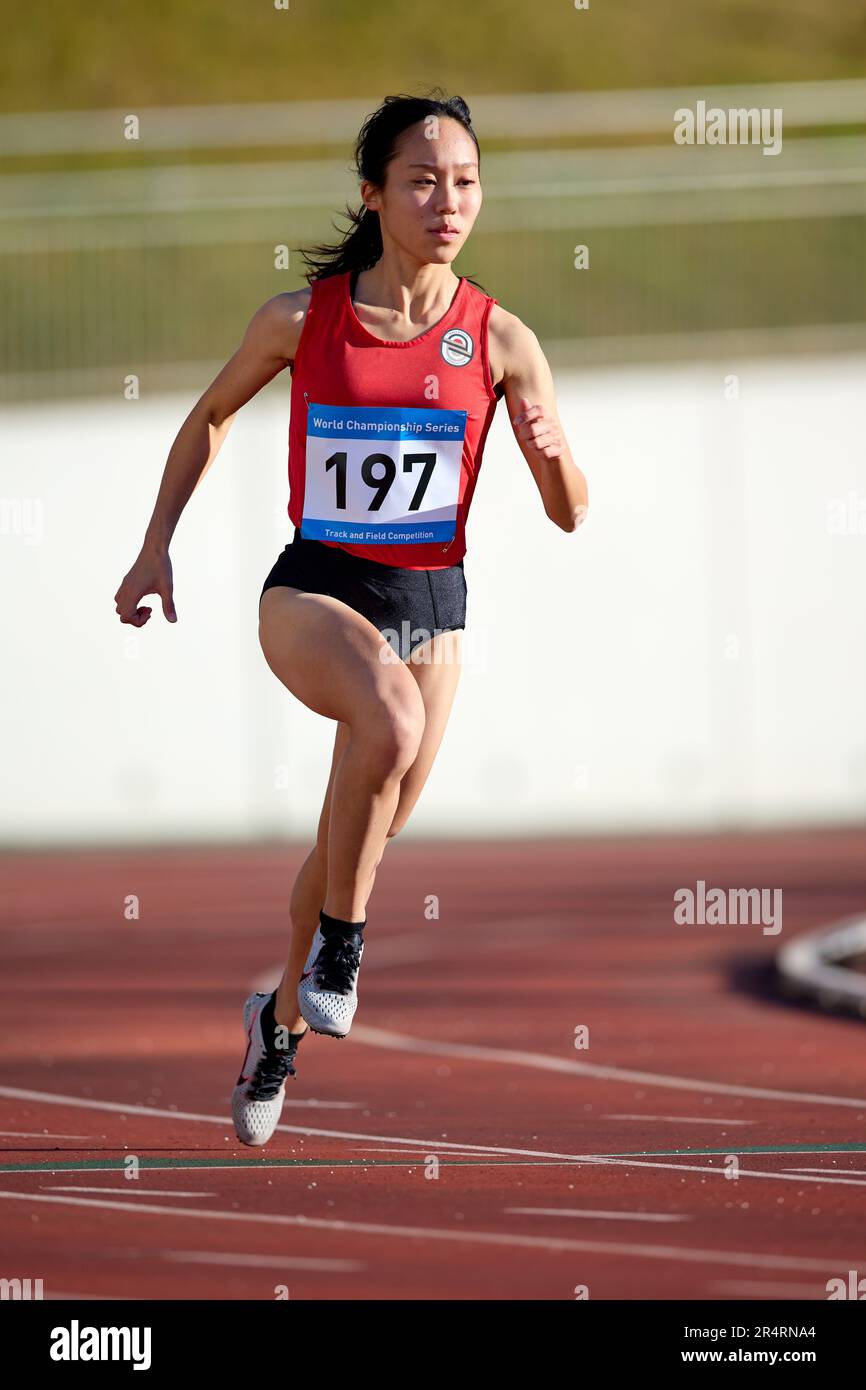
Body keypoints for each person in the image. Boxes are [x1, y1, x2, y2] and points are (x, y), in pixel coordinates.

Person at [114, 89, 588, 1148]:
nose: (445, 200)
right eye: (420, 180)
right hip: (316, 589)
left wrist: (548, 445)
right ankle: (343, 945)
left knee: (349, 837)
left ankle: (275, 1020)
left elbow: (567, 513)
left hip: (431, 609)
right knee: (386, 722)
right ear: (372, 194)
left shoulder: (501, 339)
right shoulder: (302, 319)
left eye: (463, 181)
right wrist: (156, 545)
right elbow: (210, 415)